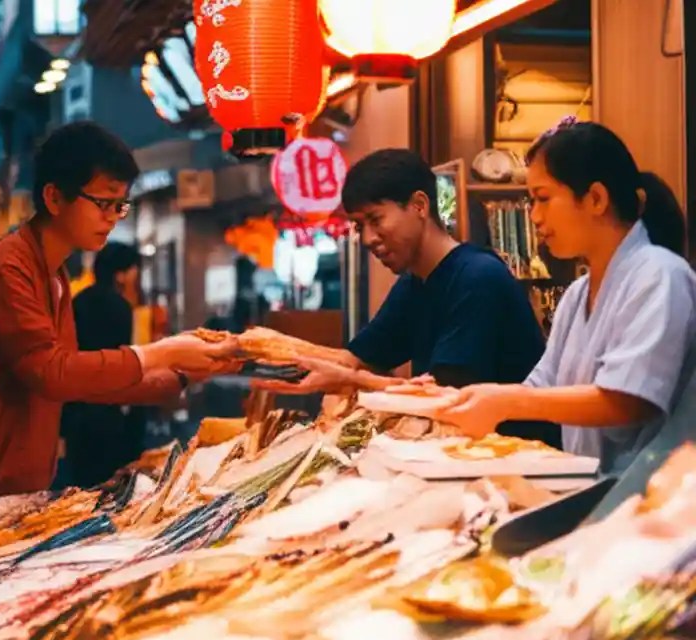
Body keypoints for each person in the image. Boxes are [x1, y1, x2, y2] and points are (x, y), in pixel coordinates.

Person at [0, 121, 237, 640]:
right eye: (104, 202)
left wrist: (186, 374)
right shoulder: (6, 270)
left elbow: (82, 382)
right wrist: (161, 353)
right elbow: (50, 373)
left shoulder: (54, 277)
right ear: (54, 197)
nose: (113, 218)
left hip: (10, 501)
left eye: (121, 205)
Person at [431, 119, 695, 475]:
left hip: (647, 502)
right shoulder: (576, 294)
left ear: (596, 199)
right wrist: (461, 398)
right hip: (590, 489)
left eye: (542, 199)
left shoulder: (661, 275)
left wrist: (509, 401)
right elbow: (542, 384)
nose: (535, 217)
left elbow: (627, 401)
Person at [254, 148, 554, 442]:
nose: (368, 239)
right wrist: (254, 352)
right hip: (459, 458)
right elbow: (358, 360)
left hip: (518, 466)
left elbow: (441, 399)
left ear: (419, 205)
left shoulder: (477, 277)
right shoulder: (414, 283)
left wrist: (350, 380)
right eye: (359, 226)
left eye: (376, 219)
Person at [62, 242, 147, 489]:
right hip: (110, 416)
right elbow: (123, 363)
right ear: (120, 274)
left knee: (83, 493)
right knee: (114, 492)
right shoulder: (120, 307)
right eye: (134, 271)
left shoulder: (77, 302)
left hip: (78, 416)